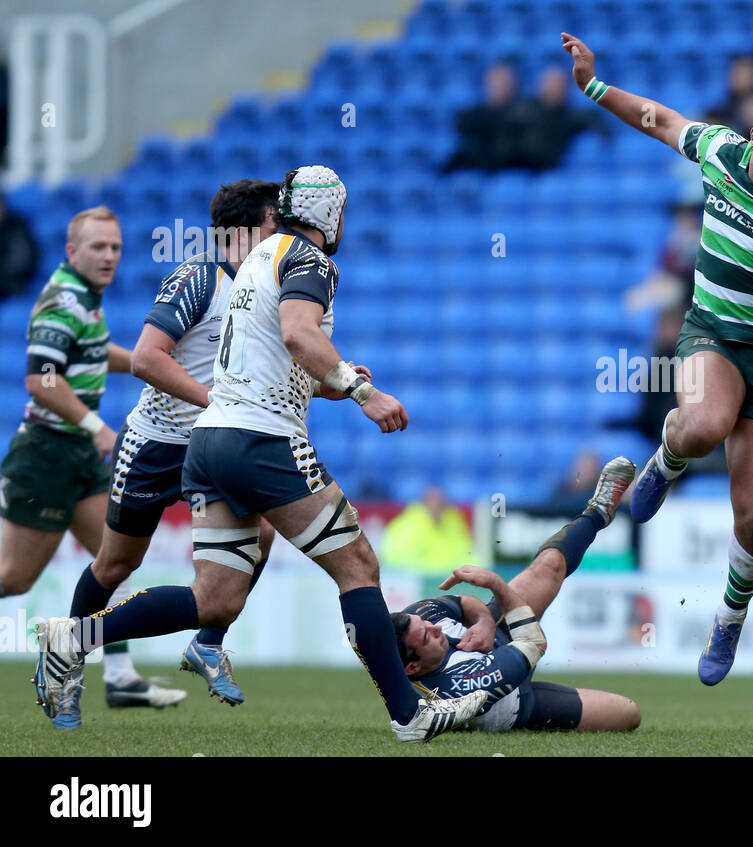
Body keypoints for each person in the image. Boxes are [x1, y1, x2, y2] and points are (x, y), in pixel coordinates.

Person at [34, 167, 487, 742]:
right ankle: (410, 716)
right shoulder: (310, 260)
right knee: (357, 567)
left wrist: (330, 379)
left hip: (208, 442)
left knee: (214, 598)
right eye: (343, 212)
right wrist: (363, 393)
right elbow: (299, 335)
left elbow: (278, 353)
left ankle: (72, 638)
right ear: (330, 213)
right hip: (260, 439)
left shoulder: (253, 261)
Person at [560, 32, 753, 686]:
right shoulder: (718, 153)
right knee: (703, 425)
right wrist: (595, 86)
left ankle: (729, 619)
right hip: (713, 333)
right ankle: (667, 458)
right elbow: (660, 119)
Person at [51, 181, 281, 729]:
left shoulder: (264, 287)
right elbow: (146, 359)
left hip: (212, 450)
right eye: (276, 223)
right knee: (116, 563)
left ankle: (208, 643)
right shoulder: (200, 277)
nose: (284, 236)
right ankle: (67, 664)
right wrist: (218, 400)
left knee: (264, 533)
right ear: (247, 229)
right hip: (157, 444)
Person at [0, 206, 185, 711]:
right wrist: (98, 428)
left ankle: (120, 677)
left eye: (115, 247)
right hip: (46, 454)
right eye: (98, 247)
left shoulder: (86, 298)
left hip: (74, 455)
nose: (108, 256)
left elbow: (96, 352)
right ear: (71, 251)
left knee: (114, 561)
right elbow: (43, 380)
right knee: (14, 578)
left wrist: (158, 363)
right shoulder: (64, 299)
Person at [392, 457, 641, 733]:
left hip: (499, 637)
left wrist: (485, 622)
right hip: (518, 700)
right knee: (628, 713)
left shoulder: (419, 615)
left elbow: (464, 604)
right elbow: (533, 644)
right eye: (427, 636)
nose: (434, 627)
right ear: (413, 668)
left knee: (549, 565)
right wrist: (497, 584)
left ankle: (599, 511)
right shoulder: (460, 685)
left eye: (426, 625)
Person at [381, 487, 474, 576]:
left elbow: (467, 554)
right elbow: (400, 562)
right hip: (419, 583)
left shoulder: (453, 524)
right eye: (433, 503)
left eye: (441, 504)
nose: (437, 508)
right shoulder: (408, 526)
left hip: (448, 580)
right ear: (423, 503)